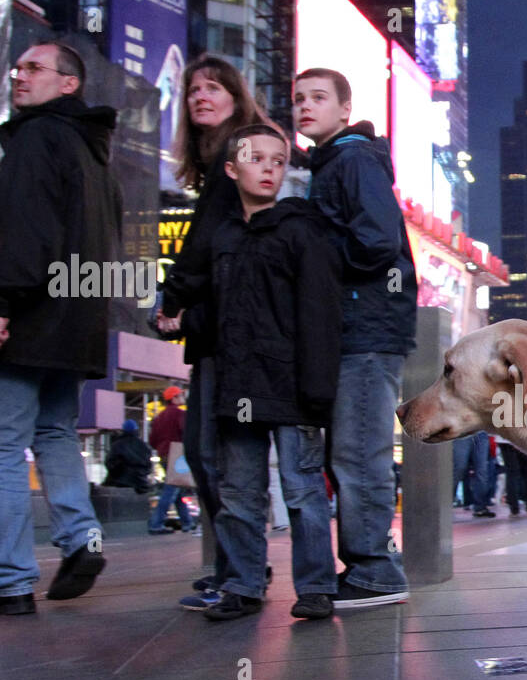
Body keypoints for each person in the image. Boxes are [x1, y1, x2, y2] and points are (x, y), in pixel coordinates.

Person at [0, 41, 120, 616]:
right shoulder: (93, 152)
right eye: (18, 68)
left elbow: (26, 232)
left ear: (68, 84)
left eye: (34, 68)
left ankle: (10, 583)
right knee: (54, 433)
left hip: (25, 322)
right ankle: (81, 539)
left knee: (2, 449)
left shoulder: (36, 138)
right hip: (73, 327)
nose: (19, 77)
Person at [204, 123, 342, 621]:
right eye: (256, 158)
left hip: (291, 385)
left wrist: (319, 389)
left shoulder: (301, 230)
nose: (268, 168)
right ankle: (242, 584)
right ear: (231, 168)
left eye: (278, 161)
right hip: (237, 386)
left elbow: (321, 315)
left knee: (303, 489)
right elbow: (215, 308)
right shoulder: (223, 235)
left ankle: (316, 588)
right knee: (238, 491)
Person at [296, 68, 416, 609]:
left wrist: (316, 259)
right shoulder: (332, 162)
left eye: (318, 98)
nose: (305, 107)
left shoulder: (353, 159)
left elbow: (377, 240)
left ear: (345, 109)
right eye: (298, 99)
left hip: (366, 328)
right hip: (353, 327)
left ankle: (374, 569)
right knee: (351, 450)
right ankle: (368, 562)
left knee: (358, 451)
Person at [156, 54, 271, 610]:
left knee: (220, 457)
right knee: (207, 456)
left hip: (231, 334)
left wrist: (176, 301)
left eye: (214, 87)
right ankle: (236, 568)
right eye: (193, 89)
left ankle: (242, 574)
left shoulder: (239, 160)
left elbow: (212, 253)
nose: (200, 95)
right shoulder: (213, 170)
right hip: (215, 332)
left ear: (235, 97)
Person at [147, 385, 194, 534]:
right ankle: (156, 524)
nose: (182, 397)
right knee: (171, 490)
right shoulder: (180, 414)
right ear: (173, 398)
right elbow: (186, 433)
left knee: (176, 488)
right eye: (180, 395)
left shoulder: (159, 417)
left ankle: (187, 522)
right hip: (177, 454)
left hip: (163, 455)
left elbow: (152, 440)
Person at [452, 430, 494, 517]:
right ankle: (445, 505)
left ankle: (480, 507)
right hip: (462, 431)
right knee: (459, 468)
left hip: (480, 432)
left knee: (482, 471)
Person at [104, 419, 153, 492]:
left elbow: (109, 463)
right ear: (136, 430)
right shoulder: (144, 446)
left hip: (120, 482)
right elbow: (149, 467)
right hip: (141, 484)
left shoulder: (117, 445)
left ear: (123, 431)